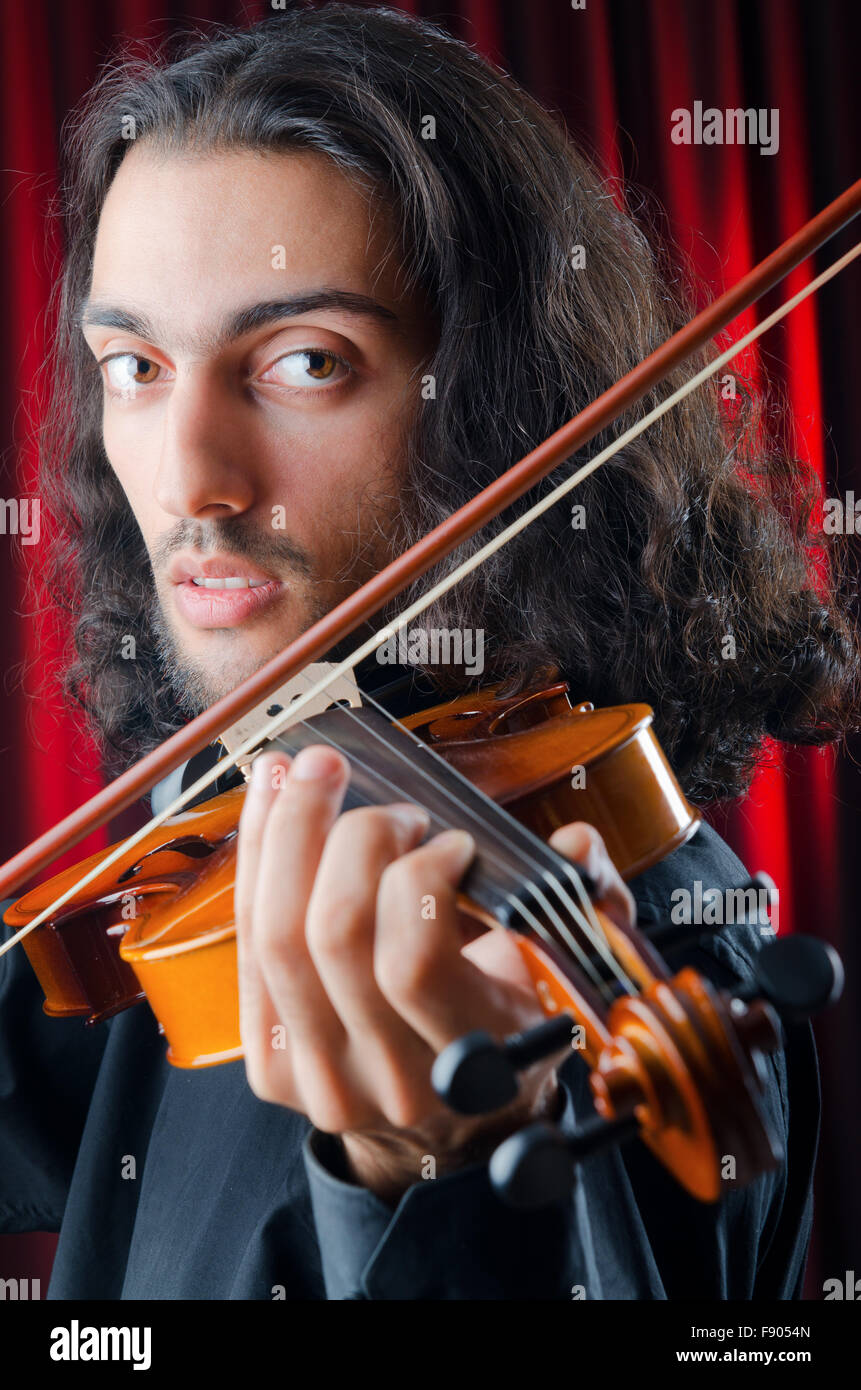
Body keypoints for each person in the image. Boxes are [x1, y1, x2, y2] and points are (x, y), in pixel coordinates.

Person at [0, 5, 853, 1300]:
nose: (190, 479)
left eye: (302, 360)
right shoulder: (227, 832)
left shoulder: (637, 951)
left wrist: (429, 1179)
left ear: (507, 403)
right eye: (134, 364)